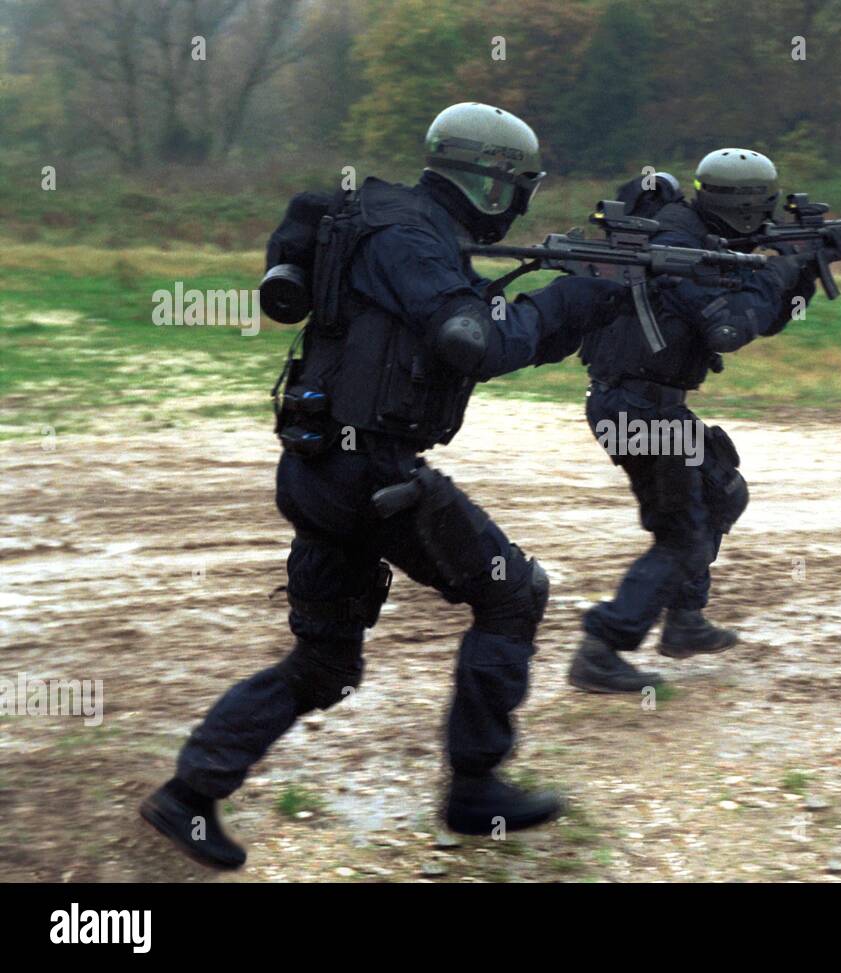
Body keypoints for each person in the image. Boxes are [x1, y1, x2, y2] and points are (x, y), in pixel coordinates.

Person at [140, 103, 628, 869]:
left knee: (324, 664)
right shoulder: (411, 240)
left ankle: (189, 794)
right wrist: (572, 295)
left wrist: (591, 293)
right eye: (520, 188)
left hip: (316, 469)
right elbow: (476, 338)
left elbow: (465, 316)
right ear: (493, 184)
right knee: (511, 592)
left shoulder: (384, 219)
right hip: (371, 475)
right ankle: (475, 787)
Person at [568, 149, 841, 693]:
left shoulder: (704, 235)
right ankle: (602, 649)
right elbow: (729, 330)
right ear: (749, 205)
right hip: (635, 410)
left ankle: (683, 620)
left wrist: (804, 271)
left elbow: (765, 318)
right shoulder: (678, 244)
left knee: (723, 494)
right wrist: (785, 261)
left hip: (653, 405)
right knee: (681, 535)